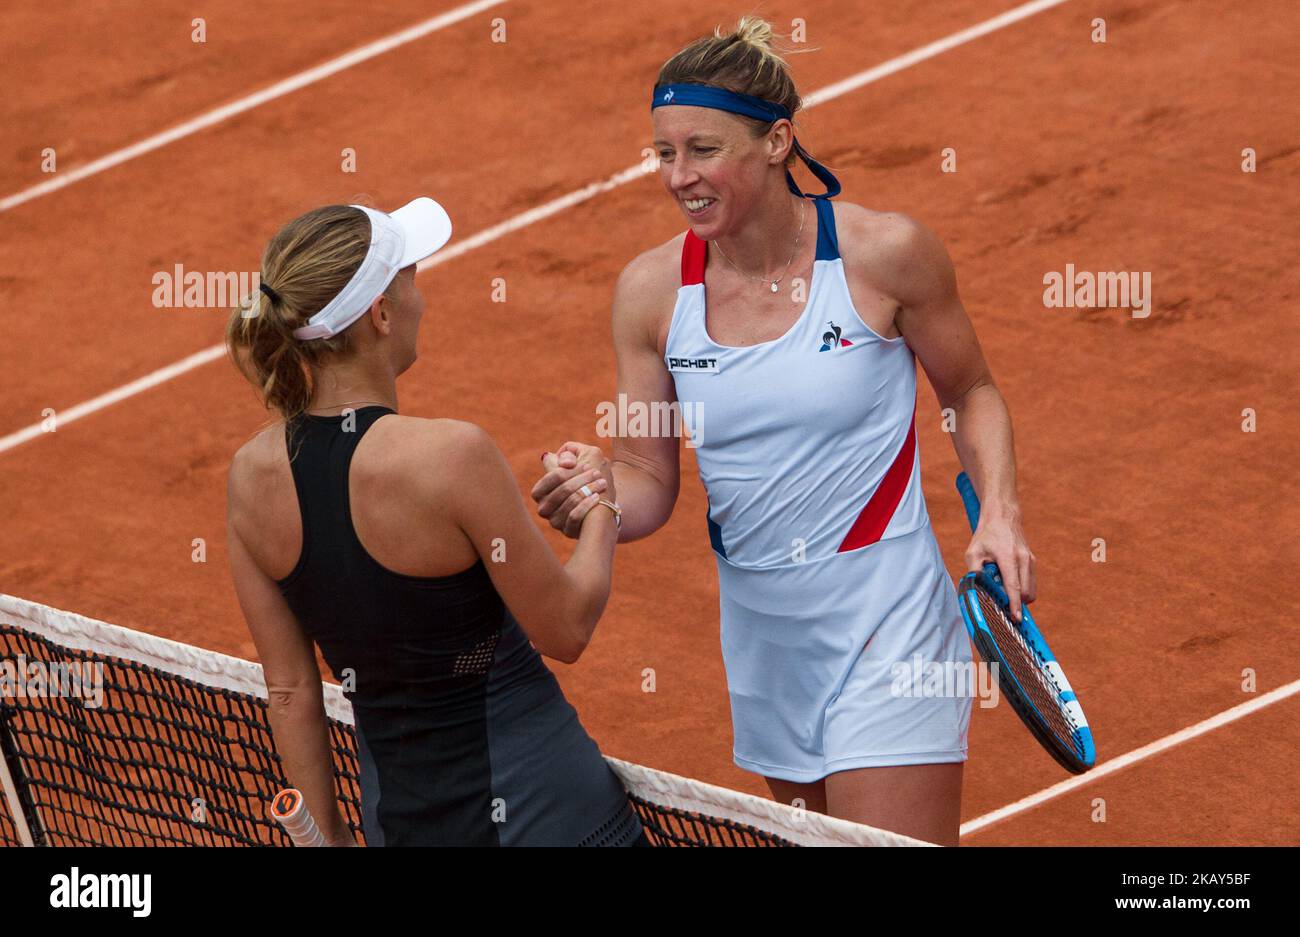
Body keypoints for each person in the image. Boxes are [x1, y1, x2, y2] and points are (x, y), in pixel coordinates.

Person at [533, 18, 1037, 846]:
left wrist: (1002, 512)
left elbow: (972, 390)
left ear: (777, 142)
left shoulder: (884, 256)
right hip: (765, 641)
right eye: (664, 154)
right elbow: (647, 479)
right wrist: (595, 494)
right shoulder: (650, 294)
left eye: (702, 149)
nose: (678, 177)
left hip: (891, 619)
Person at [224, 197, 646, 846]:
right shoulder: (452, 457)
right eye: (411, 278)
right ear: (381, 314)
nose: (422, 296)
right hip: (554, 820)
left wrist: (328, 837)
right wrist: (602, 502)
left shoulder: (250, 479)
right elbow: (566, 626)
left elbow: (289, 691)